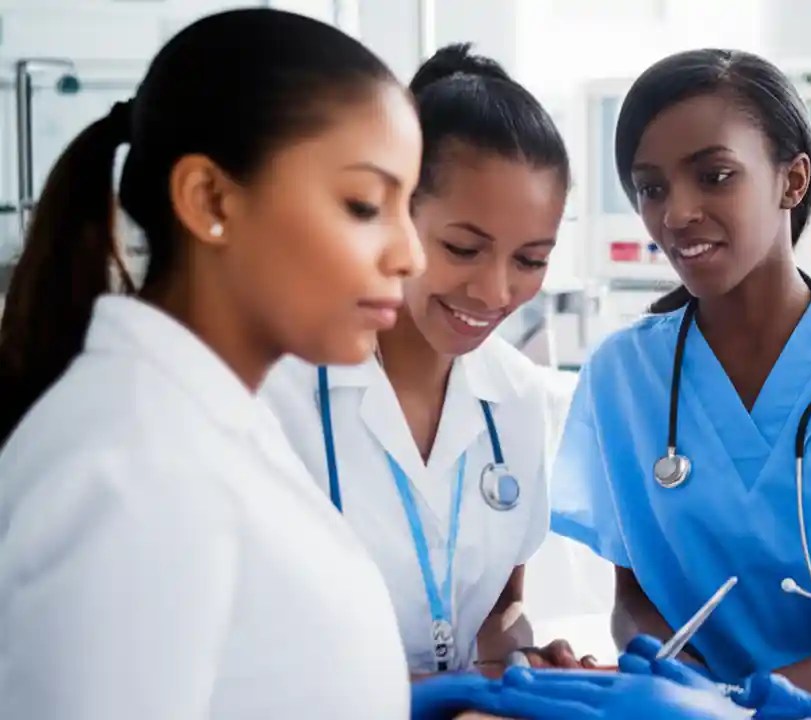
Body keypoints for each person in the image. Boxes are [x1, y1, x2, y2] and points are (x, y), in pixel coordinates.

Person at [0, 8, 427, 718]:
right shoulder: (141, 470)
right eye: (363, 205)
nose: (409, 253)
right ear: (210, 200)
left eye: (408, 206)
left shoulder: (199, 422)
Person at [550, 48, 811, 702]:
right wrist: (690, 692)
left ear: (792, 182)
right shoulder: (621, 377)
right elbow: (633, 600)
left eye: (714, 176)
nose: (675, 214)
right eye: (651, 187)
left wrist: (763, 702)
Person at [260, 43, 585, 678]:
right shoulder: (278, 391)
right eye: (464, 248)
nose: (495, 293)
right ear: (396, 212)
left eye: (530, 260)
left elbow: (498, 614)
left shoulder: (516, 402)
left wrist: (527, 664)